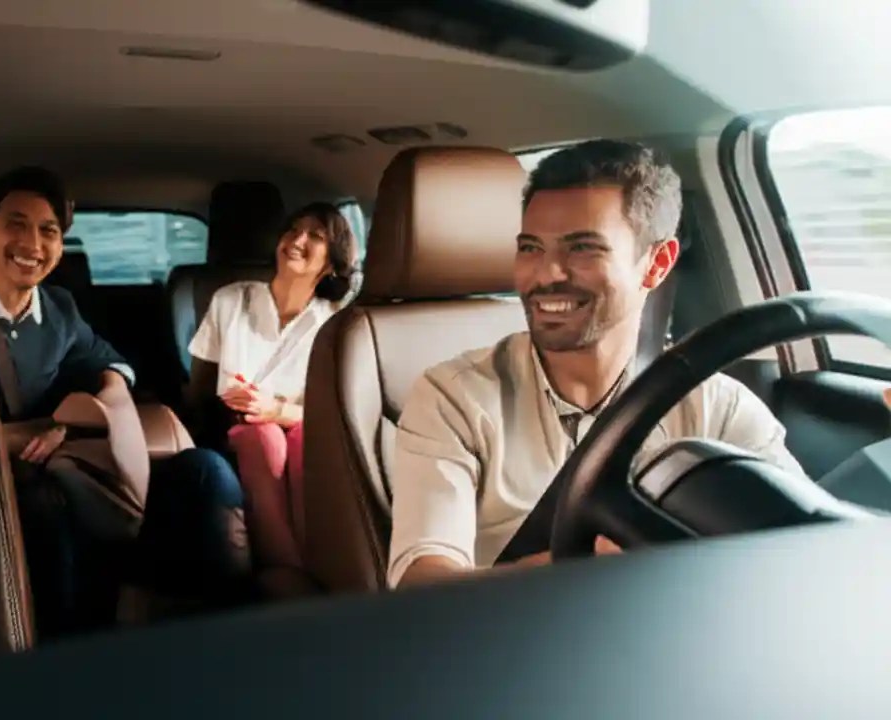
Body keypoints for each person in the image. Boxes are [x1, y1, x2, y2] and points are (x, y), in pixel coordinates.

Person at [387, 140, 807, 589]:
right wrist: (576, 571)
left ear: (656, 264)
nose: (546, 274)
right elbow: (420, 582)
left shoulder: (717, 406)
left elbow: (810, 547)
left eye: (582, 248)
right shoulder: (455, 397)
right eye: (530, 248)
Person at [0, 167, 250, 633]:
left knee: (206, 470)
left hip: (72, 466)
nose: (33, 244)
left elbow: (108, 361)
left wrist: (109, 397)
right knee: (44, 505)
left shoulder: (56, 308)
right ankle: (72, 648)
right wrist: (35, 434)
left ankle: (220, 630)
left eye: (48, 230)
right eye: (16, 224)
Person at [188, 203, 357, 572]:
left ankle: (327, 563)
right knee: (263, 437)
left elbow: (341, 409)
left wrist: (278, 411)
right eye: (292, 230)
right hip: (231, 427)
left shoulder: (338, 321)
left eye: (315, 236)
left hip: (301, 428)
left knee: (299, 439)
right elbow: (198, 388)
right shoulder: (230, 300)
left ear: (331, 261)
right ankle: (286, 569)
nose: (297, 240)